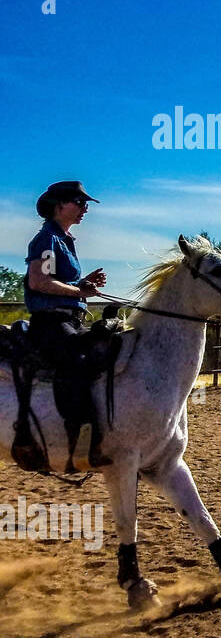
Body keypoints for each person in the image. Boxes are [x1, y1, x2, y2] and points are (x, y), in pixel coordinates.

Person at [23, 181, 109, 463]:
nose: (85, 209)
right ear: (59, 205)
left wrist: (81, 284)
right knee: (78, 360)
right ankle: (78, 440)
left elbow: (57, 281)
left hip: (68, 318)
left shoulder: (62, 240)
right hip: (51, 322)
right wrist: (80, 291)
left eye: (86, 205)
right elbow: (39, 281)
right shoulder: (47, 238)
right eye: (80, 203)